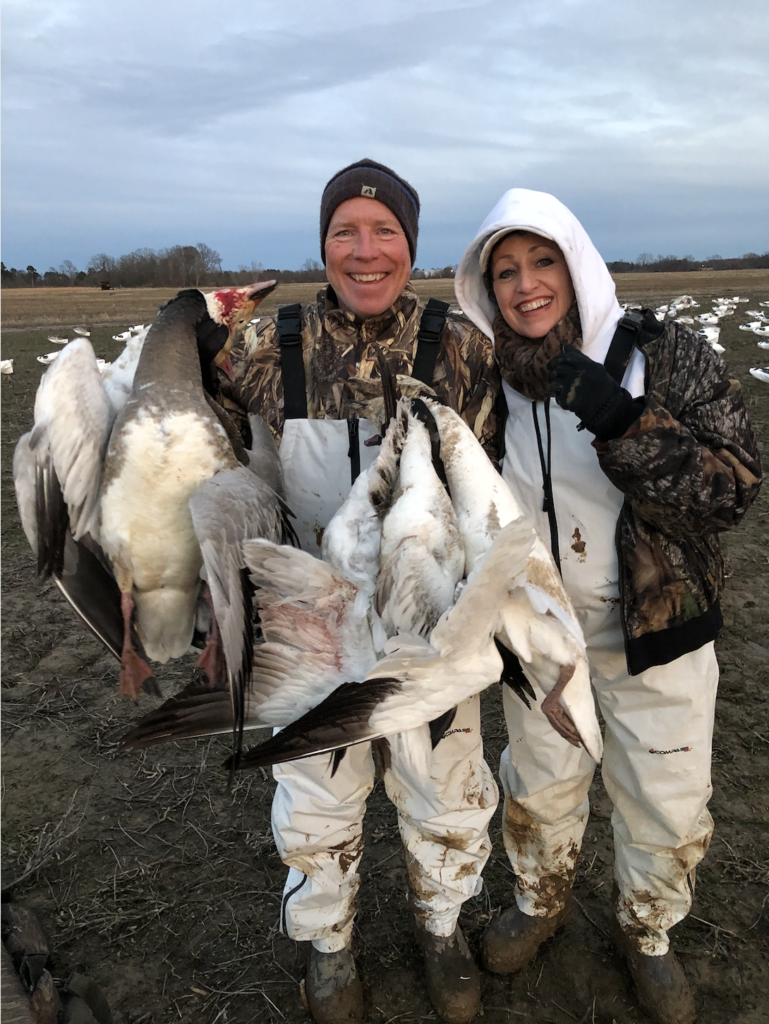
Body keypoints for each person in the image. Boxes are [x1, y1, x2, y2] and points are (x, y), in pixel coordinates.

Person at [453, 188, 762, 1024]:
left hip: (653, 635)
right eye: (504, 270)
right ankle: (540, 897)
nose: (524, 285)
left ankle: (648, 933)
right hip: (539, 644)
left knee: (664, 794)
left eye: (541, 260)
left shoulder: (664, 357)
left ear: (576, 261)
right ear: (483, 289)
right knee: (540, 782)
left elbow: (730, 491)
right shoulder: (488, 381)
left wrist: (622, 419)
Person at [217, 159, 501, 1024]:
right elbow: (226, 480)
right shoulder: (268, 350)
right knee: (315, 797)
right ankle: (329, 946)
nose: (365, 250)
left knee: (445, 786)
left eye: (385, 231)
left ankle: (443, 927)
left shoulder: (461, 348)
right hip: (315, 626)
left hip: (431, 626)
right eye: (345, 231)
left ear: (410, 247)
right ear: (323, 244)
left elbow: (492, 491)